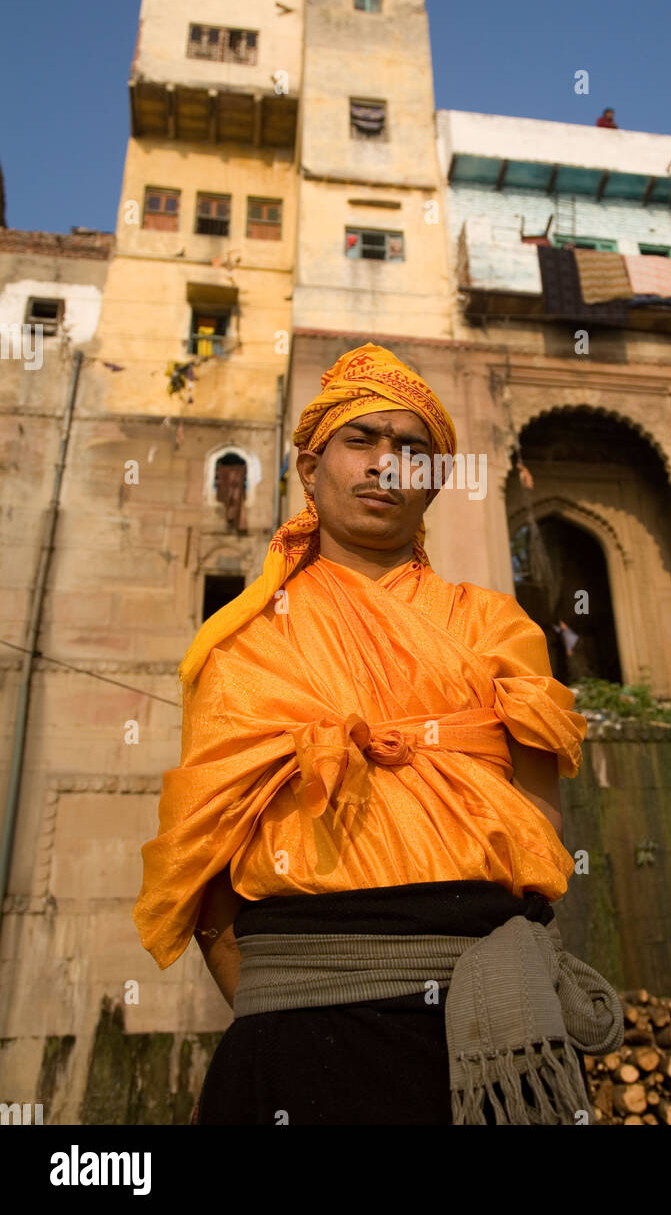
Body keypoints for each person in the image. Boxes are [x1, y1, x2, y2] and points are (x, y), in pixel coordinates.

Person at [133, 342, 622, 1125]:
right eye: (362, 441)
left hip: (495, 1024)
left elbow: (539, 826)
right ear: (309, 467)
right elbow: (205, 866)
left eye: (413, 450)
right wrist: (287, 1001)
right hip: (295, 1026)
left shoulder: (495, 625)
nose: (387, 465)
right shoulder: (244, 645)